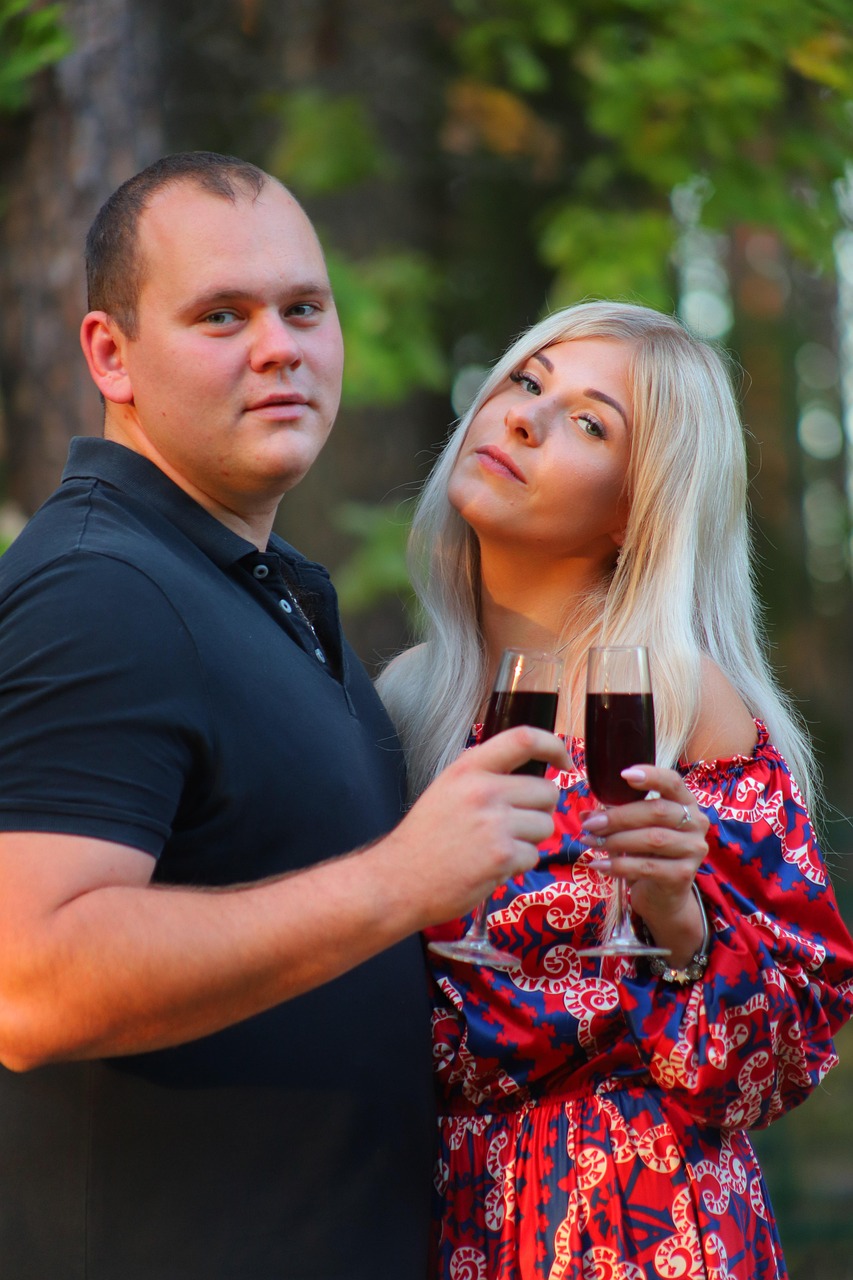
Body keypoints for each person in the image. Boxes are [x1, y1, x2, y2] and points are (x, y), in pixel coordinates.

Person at [0, 152, 570, 1280]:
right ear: (110, 355)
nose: (279, 347)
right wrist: (397, 880)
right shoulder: (97, 588)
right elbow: (30, 978)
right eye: (222, 315)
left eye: (304, 308)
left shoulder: (259, 589)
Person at [377, 300, 853, 1280]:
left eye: (589, 423)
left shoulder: (675, 701)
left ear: (636, 510)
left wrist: (681, 918)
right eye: (525, 381)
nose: (523, 417)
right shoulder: (406, 694)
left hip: (631, 1219)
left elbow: (790, 1041)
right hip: (438, 1213)